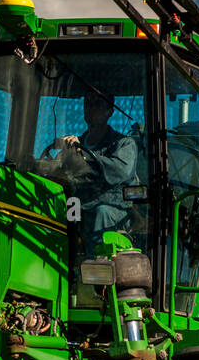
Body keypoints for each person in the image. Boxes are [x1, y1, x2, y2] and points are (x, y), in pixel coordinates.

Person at [37, 90, 138, 258]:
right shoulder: (75, 145)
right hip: (79, 205)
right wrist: (42, 164)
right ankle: (61, 263)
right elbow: (60, 174)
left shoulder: (124, 144)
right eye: (87, 103)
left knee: (101, 212)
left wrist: (83, 155)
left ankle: (97, 270)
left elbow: (119, 171)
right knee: (61, 210)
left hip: (115, 210)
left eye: (97, 104)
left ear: (110, 111)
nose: (91, 108)